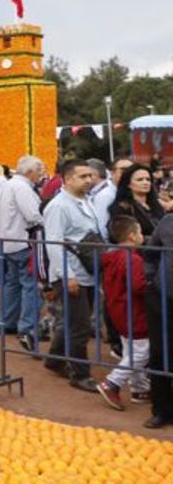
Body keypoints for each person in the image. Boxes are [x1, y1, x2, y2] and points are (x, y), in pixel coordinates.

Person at [42, 159, 102, 392]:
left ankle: (55, 359)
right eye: (83, 176)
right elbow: (54, 244)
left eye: (90, 176)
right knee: (80, 325)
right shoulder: (58, 206)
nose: (89, 180)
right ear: (67, 179)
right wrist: (67, 276)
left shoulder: (86, 201)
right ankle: (79, 373)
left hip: (87, 271)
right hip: (71, 273)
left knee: (73, 321)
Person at [96, 216, 150, 410]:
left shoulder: (113, 256)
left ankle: (139, 388)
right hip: (133, 310)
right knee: (142, 351)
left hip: (118, 309)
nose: (142, 236)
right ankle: (112, 382)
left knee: (131, 350)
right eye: (140, 232)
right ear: (132, 236)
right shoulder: (132, 258)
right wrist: (151, 285)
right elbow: (138, 286)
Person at [0, 156, 46, 351]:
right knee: (31, 285)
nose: (41, 175)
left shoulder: (7, 185)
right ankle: (26, 328)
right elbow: (33, 215)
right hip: (23, 241)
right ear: (30, 172)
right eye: (39, 171)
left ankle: (7, 321)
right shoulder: (22, 187)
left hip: (8, 241)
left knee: (12, 283)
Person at [142, 197, 173, 428]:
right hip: (163, 298)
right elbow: (150, 253)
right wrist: (152, 280)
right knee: (160, 353)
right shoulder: (167, 222)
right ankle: (161, 410)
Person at [110, 165, 164, 242]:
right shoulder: (123, 207)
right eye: (140, 180)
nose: (145, 182)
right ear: (128, 184)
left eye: (148, 179)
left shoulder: (156, 205)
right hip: (140, 249)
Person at [94, 158, 135, 239]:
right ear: (112, 173)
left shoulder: (131, 192)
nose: (128, 173)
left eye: (132, 170)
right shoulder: (105, 196)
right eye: (123, 170)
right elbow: (102, 227)